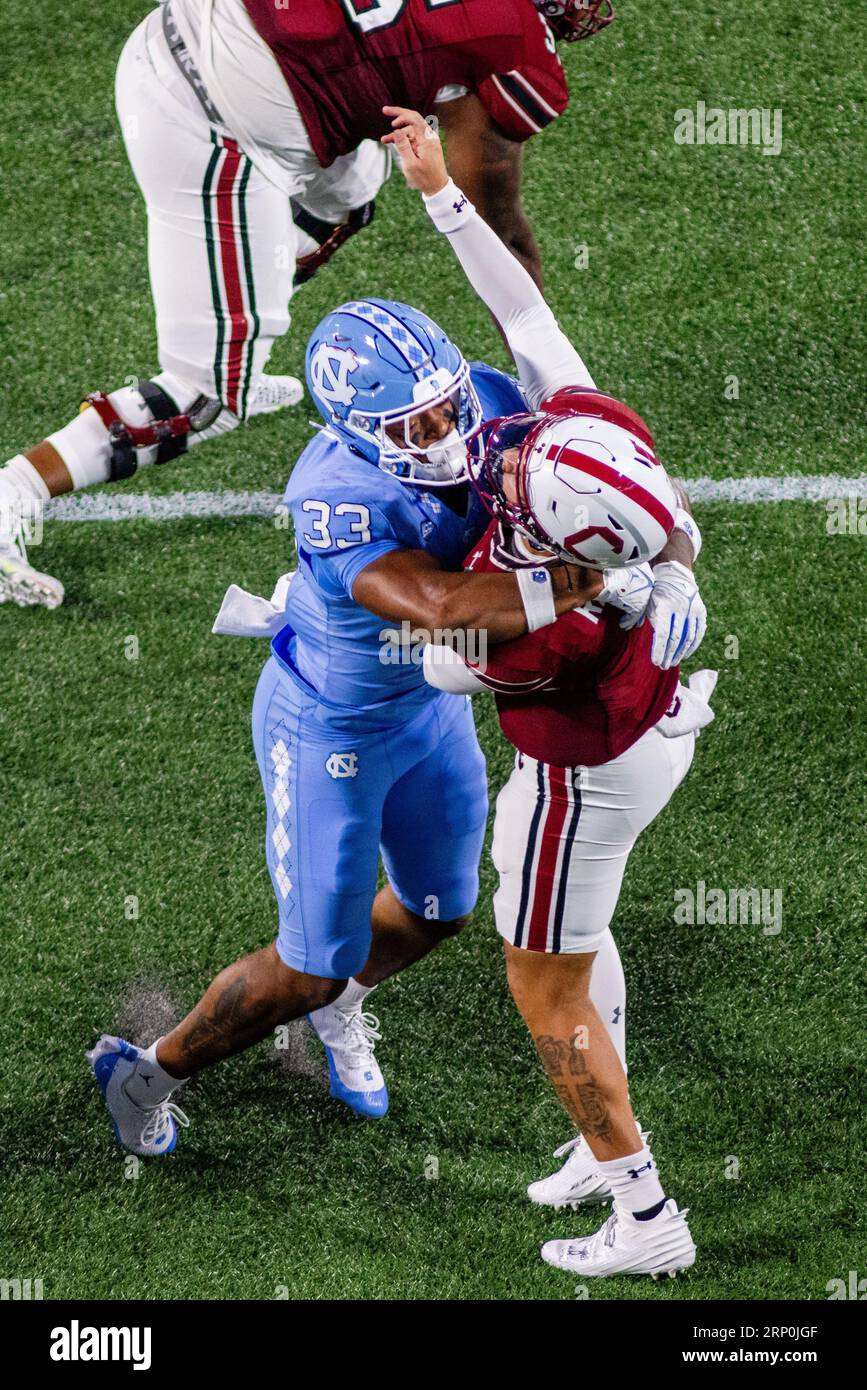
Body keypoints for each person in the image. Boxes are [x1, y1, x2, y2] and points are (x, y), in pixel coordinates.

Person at [88, 293, 610, 1155]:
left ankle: (340, 1006)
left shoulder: (484, 395)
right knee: (308, 962)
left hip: (429, 711)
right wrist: (587, 575)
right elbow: (437, 607)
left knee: (439, 908)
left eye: (447, 404)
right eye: (413, 424)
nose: (444, 428)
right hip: (330, 729)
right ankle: (145, 1074)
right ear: (360, 429)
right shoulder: (339, 493)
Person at [390, 105, 712, 1277]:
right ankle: (600, 1143)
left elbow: (445, 660)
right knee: (580, 935)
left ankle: (645, 1214)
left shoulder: (531, 614)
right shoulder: (593, 433)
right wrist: (440, 193)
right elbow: (523, 309)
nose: (505, 445)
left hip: (589, 762)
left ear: (570, 550)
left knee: (542, 986)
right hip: (647, 717)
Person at [0, 0, 614, 608]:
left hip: (202, 30)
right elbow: (495, 219)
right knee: (208, 398)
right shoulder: (514, 36)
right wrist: (553, 385)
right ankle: (18, 487)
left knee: (351, 185)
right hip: (207, 124)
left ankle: (237, 315)